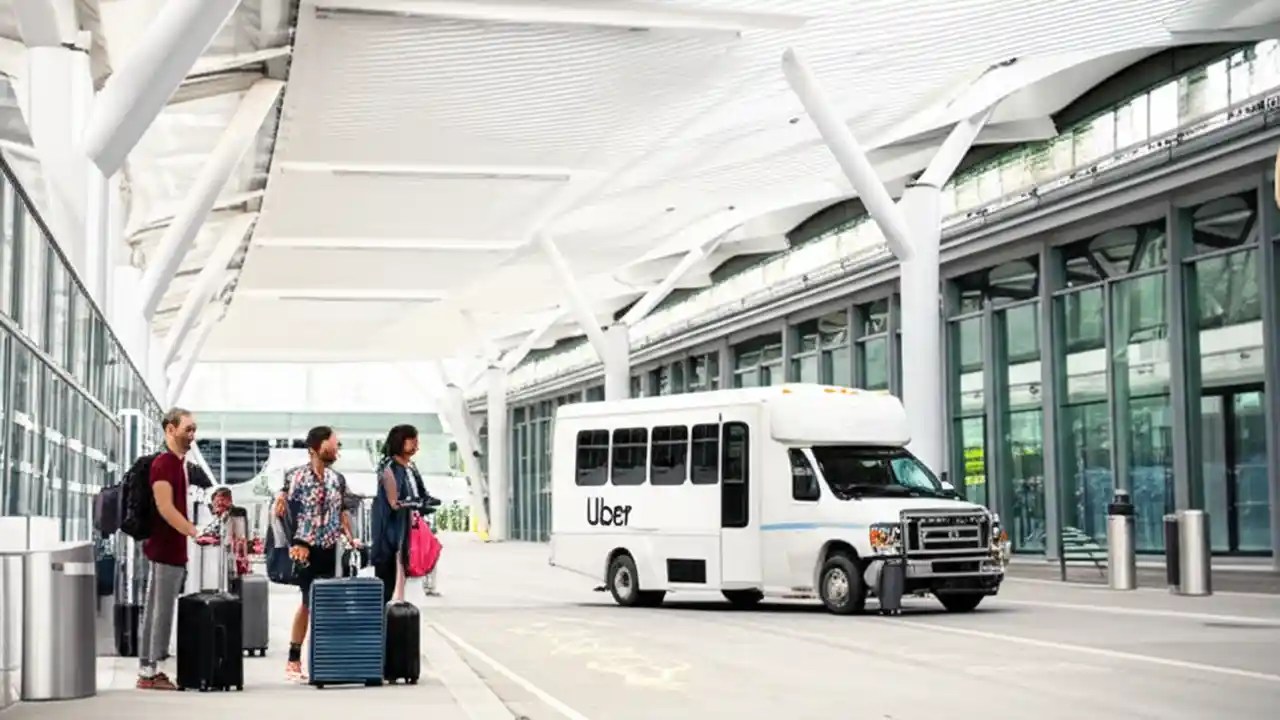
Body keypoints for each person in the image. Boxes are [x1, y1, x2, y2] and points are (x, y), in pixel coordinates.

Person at [276, 426, 358, 682]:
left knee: (328, 604)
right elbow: (283, 513)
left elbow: (343, 512)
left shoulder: (338, 480)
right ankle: (293, 660)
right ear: (315, 447)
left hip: (331, 548)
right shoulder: (296, 478)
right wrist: (293, 543)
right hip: (305, 547)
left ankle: (324, 660)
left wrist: (350, 537)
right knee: (308, 602)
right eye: (333, 444)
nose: (337, 449)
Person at [137, 408, 203, 691]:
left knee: (158, 608)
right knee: (160, 611)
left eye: (194, 429)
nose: (192, 434)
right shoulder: (164, 464)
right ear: (170, 430)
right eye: (187, 428)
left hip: (171, 547)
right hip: (165, 547)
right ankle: (151, 672)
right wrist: (192, 530)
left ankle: (148, 668)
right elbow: (164, 507)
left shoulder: (180, 463)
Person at [371, 424, 439, 603]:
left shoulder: (410, 468)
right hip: (390, 530)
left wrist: (422, 502)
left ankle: (397, 610)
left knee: (402, 570)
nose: (416, 445)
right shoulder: (389, 467)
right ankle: (387, 618)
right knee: (388, 578)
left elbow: (421, 494)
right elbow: (394, 502)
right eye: (412, 440)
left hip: (405, 528)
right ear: (400, 441)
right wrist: (413, 503)